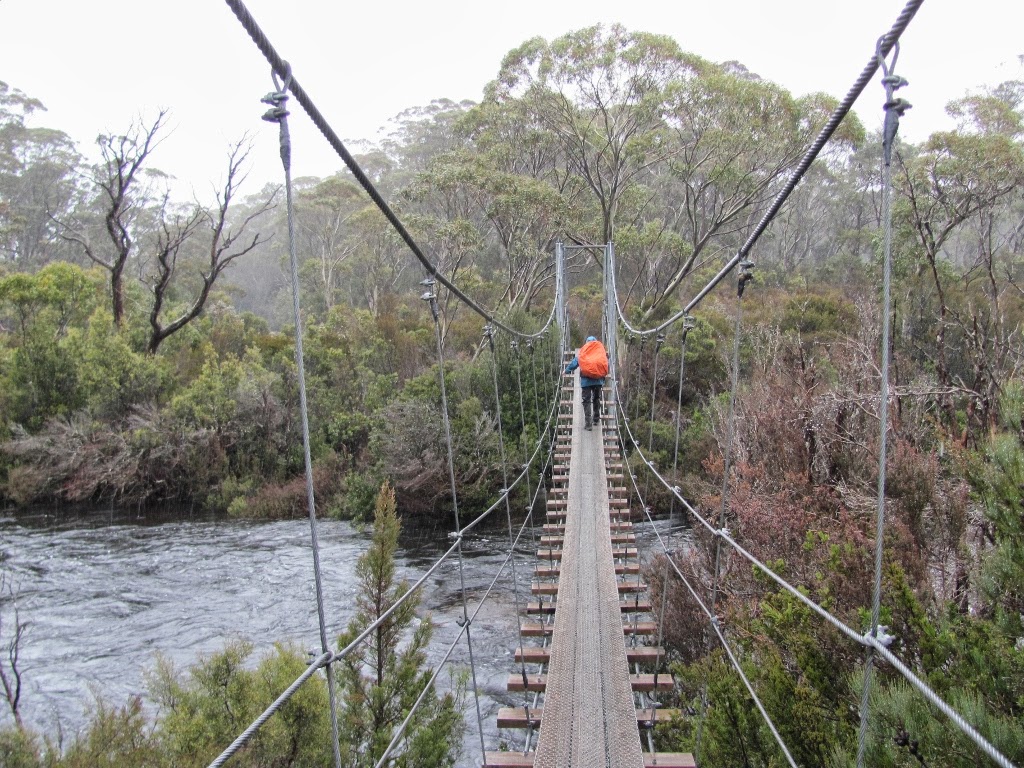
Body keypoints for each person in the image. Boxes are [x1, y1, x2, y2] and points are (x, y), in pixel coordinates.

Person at [564, 335, 608, 431]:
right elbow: (605, 362)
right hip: (598, 381)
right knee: (596, 398)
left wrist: (566, 371)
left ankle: (588, 424)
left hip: (586, 381)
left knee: (586, 401)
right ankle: (596, 419)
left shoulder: (583, 351)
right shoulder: (600, 350)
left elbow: (576, 361)